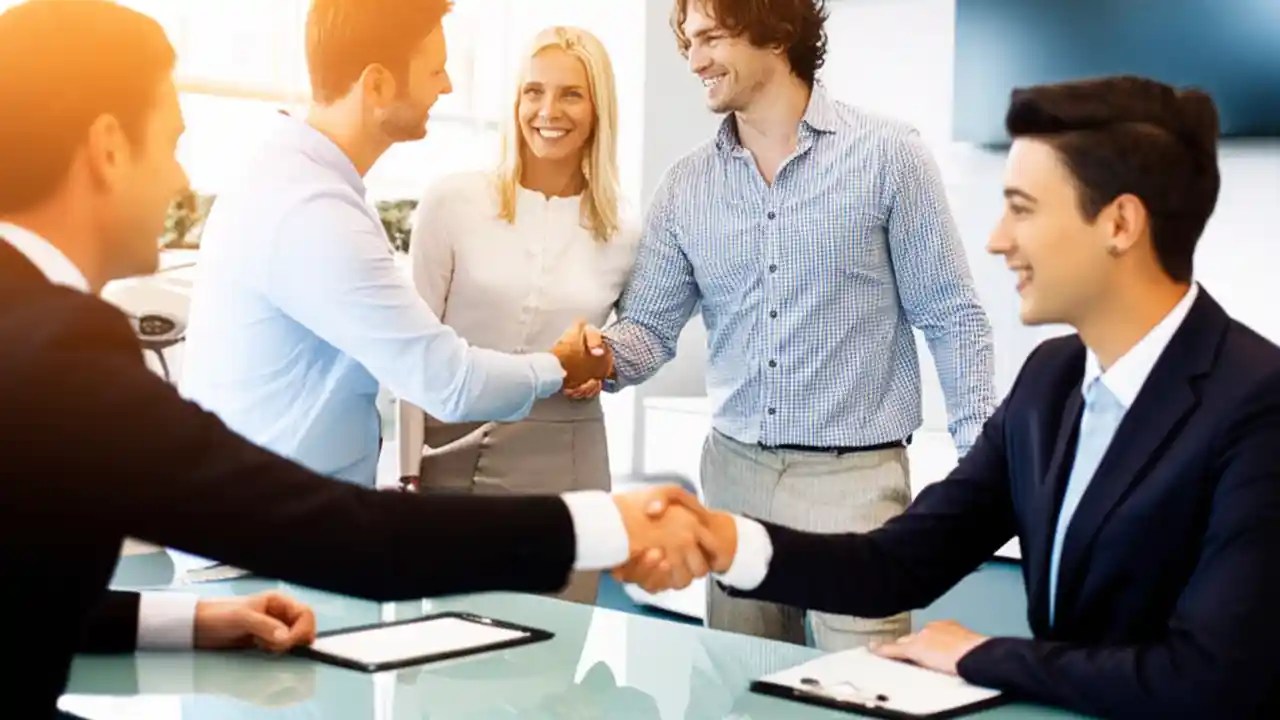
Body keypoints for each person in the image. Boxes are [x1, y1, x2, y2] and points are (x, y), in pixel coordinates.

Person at [0, 2, 713, 714]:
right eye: (170, 142)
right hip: (264, 558)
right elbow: (428, 408)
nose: (180, 181)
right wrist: (604, 515)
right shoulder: (303, 214)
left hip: (255, 579)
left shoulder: (311, 194)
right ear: (108, 149)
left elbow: (24, 586)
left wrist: (178, 623)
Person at [629, 75, 1280, 717]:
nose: (998, 239)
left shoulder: (1257, 405)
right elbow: (895, 564)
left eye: (1022, 208)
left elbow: (1205, 678)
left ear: (1120, 223)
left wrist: (978, 655)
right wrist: (721, 539)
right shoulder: (1050, 385)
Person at [574, 0, 996, 650]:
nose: (694, 60)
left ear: (774, 28)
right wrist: (596, 356)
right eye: (688, 42)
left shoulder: (888, 157)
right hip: (734, 480)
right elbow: (649, 332)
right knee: (739, 687)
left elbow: (950, 314)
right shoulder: (685, 188)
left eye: (710, 37)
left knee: (866, 691)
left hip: (854, 488)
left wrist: (983, 466)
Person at [178, 0, 607, 491]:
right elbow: (448, 382)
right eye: (435, 70)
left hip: (281, 519)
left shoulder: (300, 183)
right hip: (260, 536)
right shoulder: (313, 211)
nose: (446, 86)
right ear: (378, 85)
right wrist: (560, 365)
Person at [397, 26, 639, 605]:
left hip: (571, 471)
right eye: (533, 91)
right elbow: (409, 347)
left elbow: (638, 340)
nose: (547, 111)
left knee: (556, 672)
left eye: (570, 94)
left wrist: (604, 359)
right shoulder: (453, 202)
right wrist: (406, 473)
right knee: (443, 667)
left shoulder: (627, 233)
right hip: (449, 460)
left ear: (598, 109)